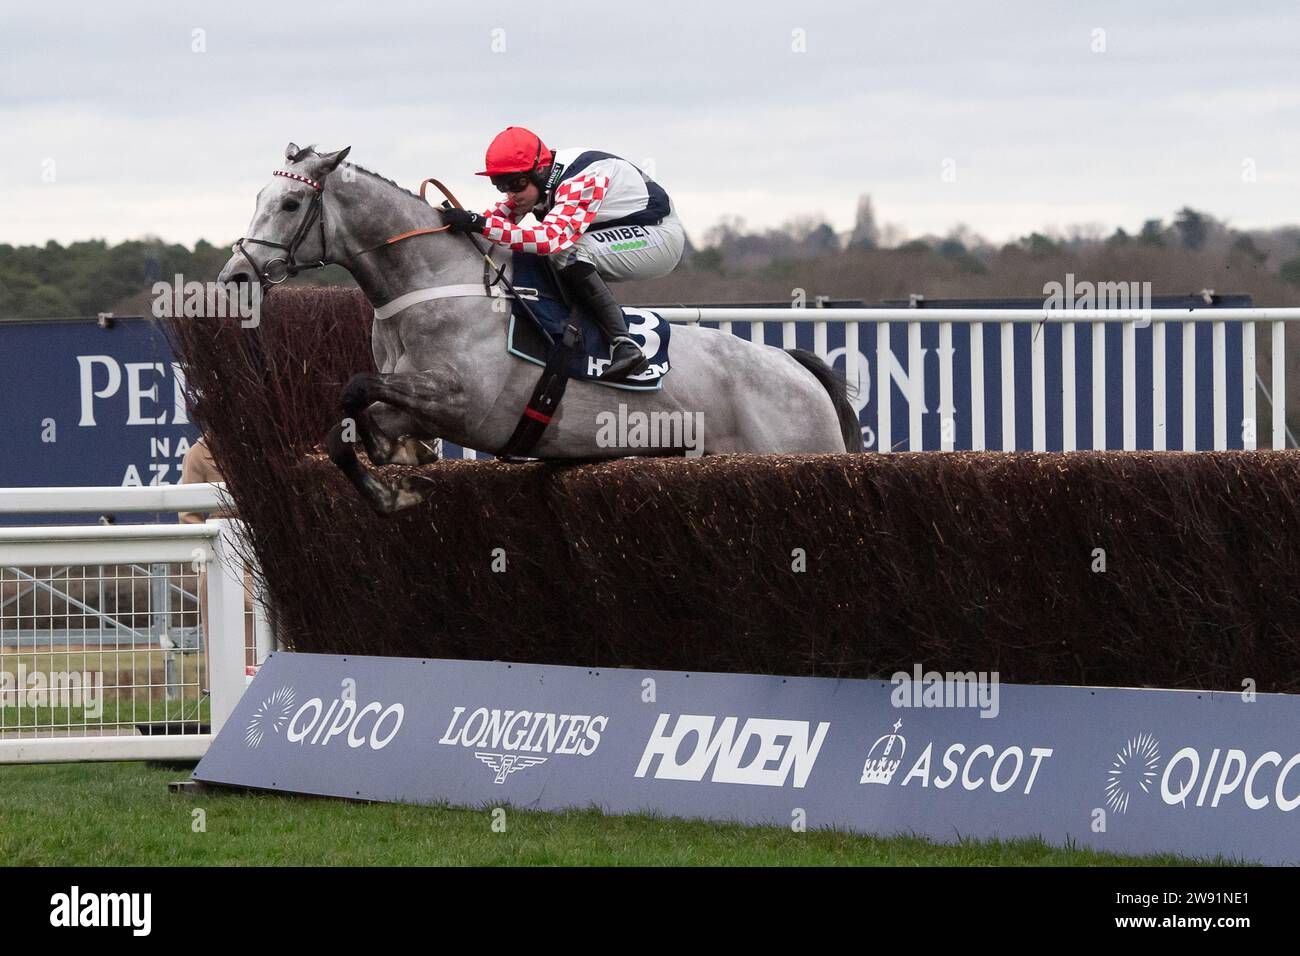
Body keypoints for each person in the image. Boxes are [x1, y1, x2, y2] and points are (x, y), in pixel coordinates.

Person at [442, 126, 686, 381]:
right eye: (501, 185)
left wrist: (479, 223)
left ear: (539, 171)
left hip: (658, 237)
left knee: (567, 252)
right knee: (553, 252)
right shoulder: (540, 180)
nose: (510, 193)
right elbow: (492, 223)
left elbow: (549, 239)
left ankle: (623, 345)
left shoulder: (580, 180)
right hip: (624, 230)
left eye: (515, 184)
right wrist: (458, 222)